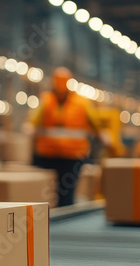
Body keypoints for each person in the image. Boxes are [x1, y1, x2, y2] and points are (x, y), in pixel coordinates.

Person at [30, 67, 110, 206]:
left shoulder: (82, 103)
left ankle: (63, 219)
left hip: (72, 155)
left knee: (66, 193)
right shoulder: (46, 100)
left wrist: (103, 137)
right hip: (47, 155)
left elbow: (95, 122)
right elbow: (33, 121)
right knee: (46, 193)